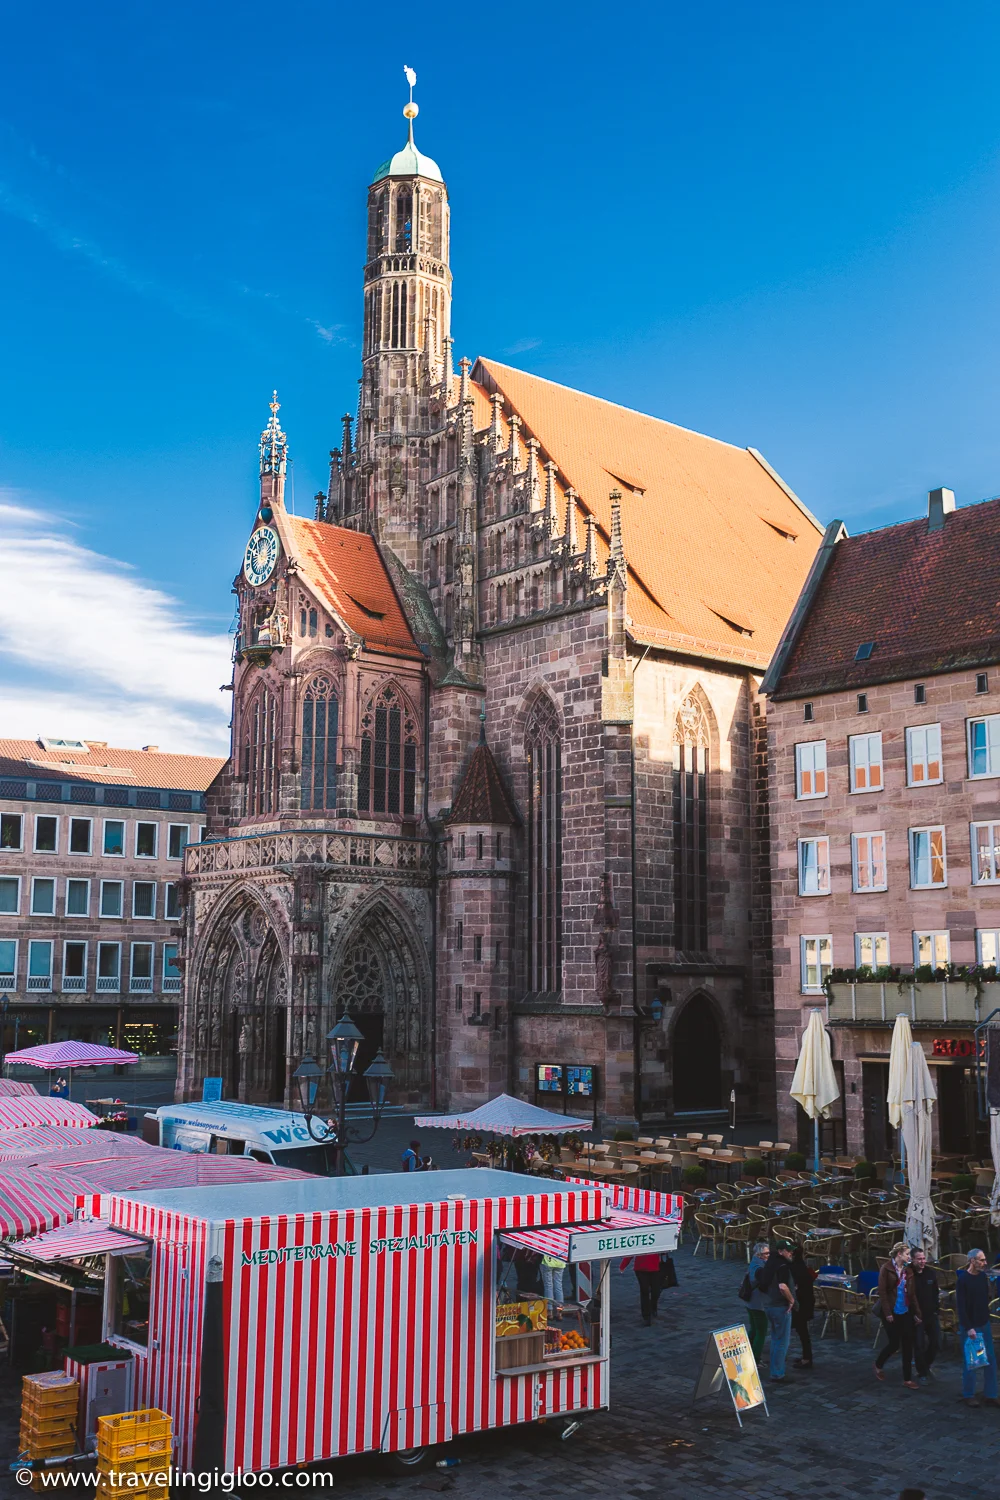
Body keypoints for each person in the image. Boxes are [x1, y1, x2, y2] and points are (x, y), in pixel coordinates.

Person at [956, 1247, 1000, 1408]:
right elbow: (961, 1307)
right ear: (972, 1261)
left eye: (984, 1259)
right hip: (971, 1326)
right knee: (972, 1362)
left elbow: (984, 1299)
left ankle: (991, 1394)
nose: (985, 1262)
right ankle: (969, 1394)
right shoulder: (963, 1280)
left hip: (984, 1323)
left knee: (990, 1360)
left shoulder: (982, 1277)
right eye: (981, 1260)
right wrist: (969, 1328)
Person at [874, 1241, 921, 1389]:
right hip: (891, 1311)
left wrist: (917, 1313)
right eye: (907, 1254)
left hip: (904, 1310)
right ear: (899, 1254)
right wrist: (888, 1313)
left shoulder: (908, 1270)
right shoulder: (886, 1269)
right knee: (894, 1343)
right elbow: (882, 1293)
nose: (909, 1257)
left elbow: (912, 1294)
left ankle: (907, 1379)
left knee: (907, 1344)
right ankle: (878, 1364)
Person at [757, 1239, 796, 1382]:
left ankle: (775, 1369)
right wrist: (791, 1300)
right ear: (780, 1251)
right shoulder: (782, 1265)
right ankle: (777, 1373)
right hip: (780, 1307)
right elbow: (783, 1286)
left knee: (775, 1339)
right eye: (788, 1250)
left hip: (769, 1306)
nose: (791, 1253)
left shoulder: (770, 1263)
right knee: (781, 1342)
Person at [910, 1248, 940, 1382]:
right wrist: (912, 1314)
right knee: (919, 1345)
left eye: (923, 1258)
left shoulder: (930, 1273)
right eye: (919, 1259)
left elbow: (935, 1293)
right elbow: (905, 1297)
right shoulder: (908, 1274)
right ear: (912, 1260)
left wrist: (936, 1310)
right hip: (916, 1316)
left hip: (931, 1314)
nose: (922, 1261)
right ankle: (921, 1372)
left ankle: (926, 1365)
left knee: (936, 1342)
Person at [789, 1243, 816, 1369]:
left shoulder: (795, 1268)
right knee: (803, 1331)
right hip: (806, 1302)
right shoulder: (802, 1266)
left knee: (803, 1332)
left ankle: (807, 1358)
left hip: (802, 1304)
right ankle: (806, 1356)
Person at [620, 1251, 664, 1326]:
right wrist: (623, 1264)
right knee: (644, 1291)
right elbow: (633, 1249)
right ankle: (646, 1316)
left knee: (656, 1291)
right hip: (640, 1268)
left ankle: (653, 1307)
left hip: (655, 1267)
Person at [744, 1241, 770, 1363]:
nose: (768, 1255)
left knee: (754, 1329)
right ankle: (755, 1359)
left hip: (750, 1302)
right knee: (761, 1332)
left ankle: (746, 1353)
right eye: (766, 1254)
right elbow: (763, 1284)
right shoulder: (759, 1268)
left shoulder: (753, 1263)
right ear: (759, 1255)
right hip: (758, 1304)